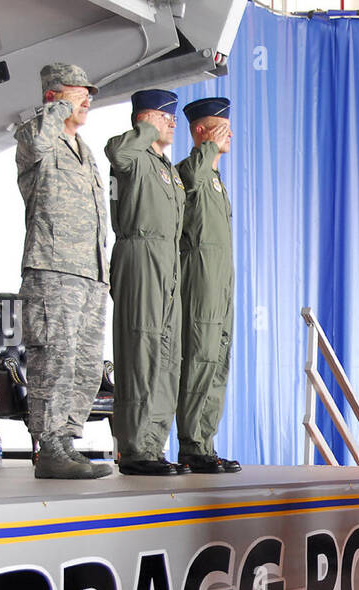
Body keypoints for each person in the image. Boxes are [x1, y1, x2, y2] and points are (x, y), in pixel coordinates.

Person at [13, 62, 112, 480]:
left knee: (84, 363)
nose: (87, 98)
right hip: (52, 268)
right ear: (54, 95)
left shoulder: (84, 150)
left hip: (89, 272)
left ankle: (67, 443)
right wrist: (55, 109)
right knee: (54, 357)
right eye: (77, 92)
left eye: (88, 92)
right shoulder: (36, 134)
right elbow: (35, 143)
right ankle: (49, 446)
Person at [105, 89, 189, 476]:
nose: (172, 123)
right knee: (140, 349)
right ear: (145, 118)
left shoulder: (167, 168)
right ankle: (135, 448)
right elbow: (116, 151)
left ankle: (154, 444)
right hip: (139, 256)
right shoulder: (131, 154)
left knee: (166, 356)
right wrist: (144, 129)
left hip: (167, 261)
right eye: (164, 116)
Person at [176, 97, 240, 473]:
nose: (229, 132)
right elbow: (188, 182)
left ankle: (206, 441)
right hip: (199, 279)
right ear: (200, 132)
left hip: (222, 283)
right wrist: (207, 150)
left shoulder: (215, 180)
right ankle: (191, 444)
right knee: (199, 358)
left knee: (218, 360)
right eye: (219, 126)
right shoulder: (190, 171)